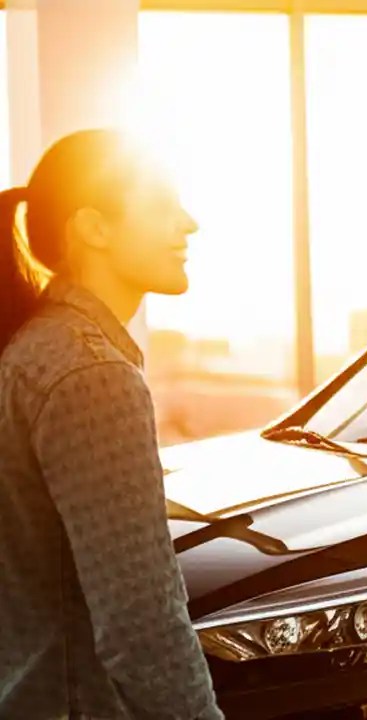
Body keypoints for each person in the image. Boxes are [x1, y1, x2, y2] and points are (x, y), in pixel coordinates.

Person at [0, 129, 222, 719]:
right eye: (161, 205)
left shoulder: (28, 351)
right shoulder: (91, 376)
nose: (189, 223)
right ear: (93, 228)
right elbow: (142, 626)